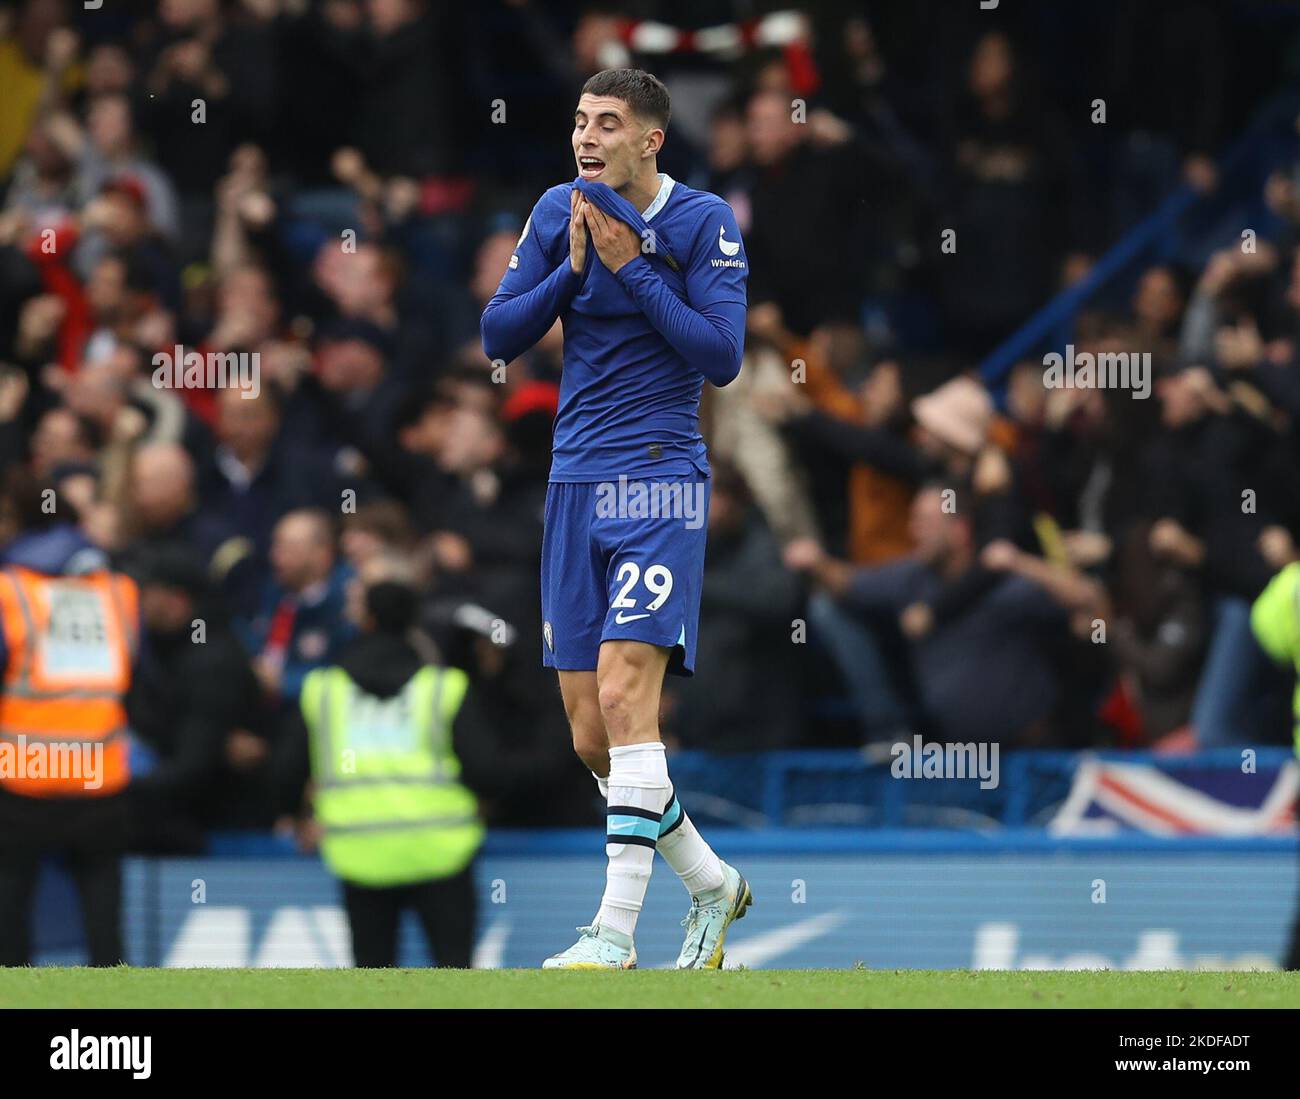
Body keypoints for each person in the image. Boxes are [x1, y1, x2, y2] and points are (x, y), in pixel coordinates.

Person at [480, 68, 752, 969]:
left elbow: (721, 355)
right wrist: (572, 270)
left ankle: (614, 931)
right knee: (593, 735)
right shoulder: (560, 206)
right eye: (579, 121)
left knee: (628, 697)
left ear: (651, 140)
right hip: (572, 485)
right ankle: (710, 881)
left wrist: (635, 272)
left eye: (607, 123)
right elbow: (497, 333)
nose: (586, 137)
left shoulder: (703, 220)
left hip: (658, 483)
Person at [279, 554, 484, 968]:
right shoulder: (444, 687)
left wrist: (292, 815)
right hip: (441, 850)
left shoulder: (323, 689)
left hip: (360, 852)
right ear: (413, 621)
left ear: (365, 619)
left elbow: (286, 768)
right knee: (458, 975)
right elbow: (487, 767)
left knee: (372, 976)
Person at [0, 494, 139, 966]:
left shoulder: (10, 590)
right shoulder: (119, 592)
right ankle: (114, 1027)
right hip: (100, 780)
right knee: (104, 917)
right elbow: (133, 673)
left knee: (10, 911)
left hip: (23, 779)